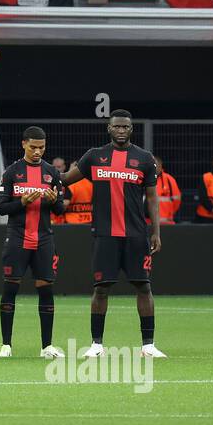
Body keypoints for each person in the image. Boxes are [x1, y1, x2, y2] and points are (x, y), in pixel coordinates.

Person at [61, 110, 166, 359]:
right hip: (105, 235)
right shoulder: (94, 157)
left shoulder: (144, 158)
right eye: (116, 126)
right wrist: (42, 171)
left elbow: (152, 199)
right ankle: (97, 345)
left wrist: (156, 232)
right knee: (101, 288)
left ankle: (148, 346)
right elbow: (65, 179)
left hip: (136, 235)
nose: (121, 130)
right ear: (109, 129)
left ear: (131, 130)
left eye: (125, 127)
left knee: (143, 286)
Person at [0, 127, 65, 358]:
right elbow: (2, 207)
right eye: (33, 147)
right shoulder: (12, 172)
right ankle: (6, 344)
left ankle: (47, 346)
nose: (37, 152)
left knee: (46, 290)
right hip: (17, 237)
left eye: (41, 147)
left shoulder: (51, 173)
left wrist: (55, 202)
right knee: (10, 289)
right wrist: (22, 201)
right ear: (24, 144)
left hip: (44, 238)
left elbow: (60, 208)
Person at [152, 156, 182, 225]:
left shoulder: (169, 179)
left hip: (166, 223)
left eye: (155, 166)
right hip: (146, 223)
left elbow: (177, 200)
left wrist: (169, 213)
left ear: (160, 166)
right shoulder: (143, 179)